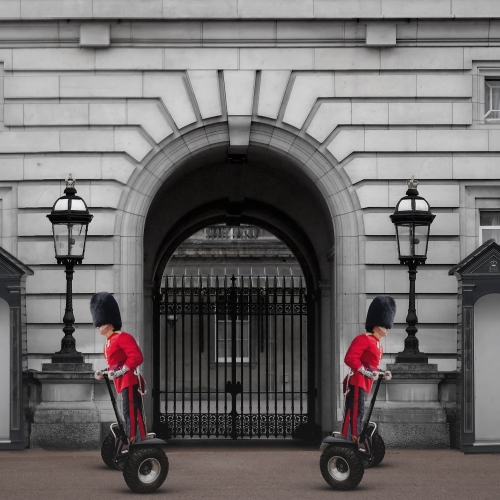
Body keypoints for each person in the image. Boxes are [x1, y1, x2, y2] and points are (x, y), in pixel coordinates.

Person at [91, 292, 147, 443]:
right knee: (126, 411)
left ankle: (134, 439)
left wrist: (121, 371)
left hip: (129, 380)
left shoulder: (123, 337)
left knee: (131, 410)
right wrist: (103, 372)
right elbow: (114, 364)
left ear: (109, 323)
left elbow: (136, 357)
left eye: (100, 324)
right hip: (121, 381)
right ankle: (130, 438)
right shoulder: (109, 341)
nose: (98, 327)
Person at [341, 295, 396, 443]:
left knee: (360, 411)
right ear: (377, 324)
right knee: (355, 411)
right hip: (357, 381)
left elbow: (371, 365)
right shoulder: (363, 339)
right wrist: (365, 372)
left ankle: (355, 437)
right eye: (386, 325)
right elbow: (351, 358)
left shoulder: (377, 343)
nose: (388, 328)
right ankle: (351, 439)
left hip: (365, 383)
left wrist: (382, 373)